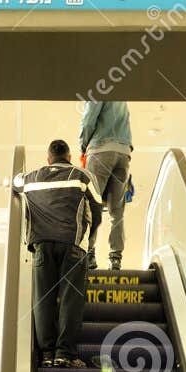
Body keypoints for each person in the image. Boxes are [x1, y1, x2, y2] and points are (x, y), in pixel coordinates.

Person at [12, 140, 102, 368]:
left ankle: (46, 354)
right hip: (73, 245)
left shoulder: (32, 178)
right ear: (69, 157)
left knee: (43, 300)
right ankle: (65, 354)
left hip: (41, 245)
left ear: (48, 158)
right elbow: (97, 209)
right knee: (71, 300)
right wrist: (89, 241)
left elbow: (14, 182)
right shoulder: (82, 176)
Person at [78, 100, 132, 271]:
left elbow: (88, 120)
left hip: (100, 149)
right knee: (117, 210)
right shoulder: (122, 97)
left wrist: (83, 146)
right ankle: (115, 257)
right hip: (123, 152)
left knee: (91, 204)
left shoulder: (98, 91)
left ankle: (89, 253)